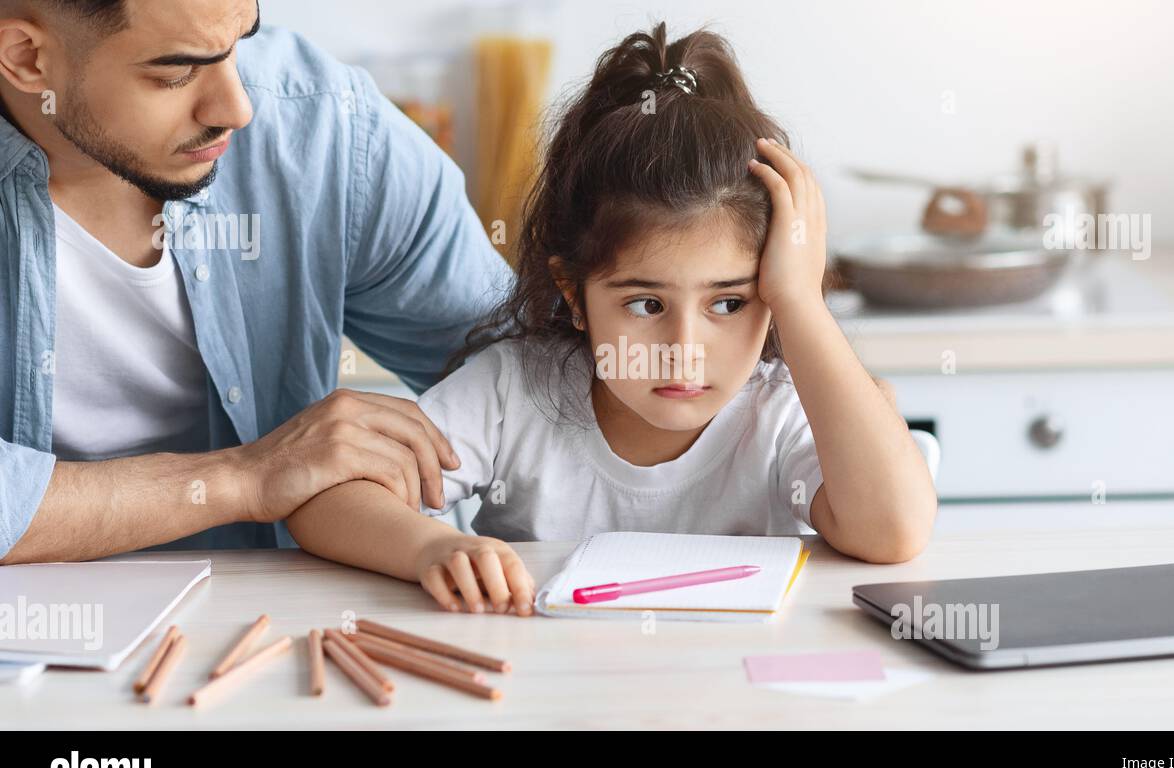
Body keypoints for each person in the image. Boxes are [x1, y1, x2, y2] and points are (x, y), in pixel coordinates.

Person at [286, 23, 938, 617]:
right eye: (646, 304)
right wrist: (430, 546)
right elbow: (326, 497)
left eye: (729, 303)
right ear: (573, 292)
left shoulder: (779, 413)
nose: (685, 350)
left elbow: (893, 529)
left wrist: (802, 302)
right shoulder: (515, 392)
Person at [0, 0, 511, 563]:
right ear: (26, 58)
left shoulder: (324, 125)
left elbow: (530, 374)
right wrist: (246, 479)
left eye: (240, 40)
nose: (237, 108)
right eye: (176, 73)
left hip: (282, 617)